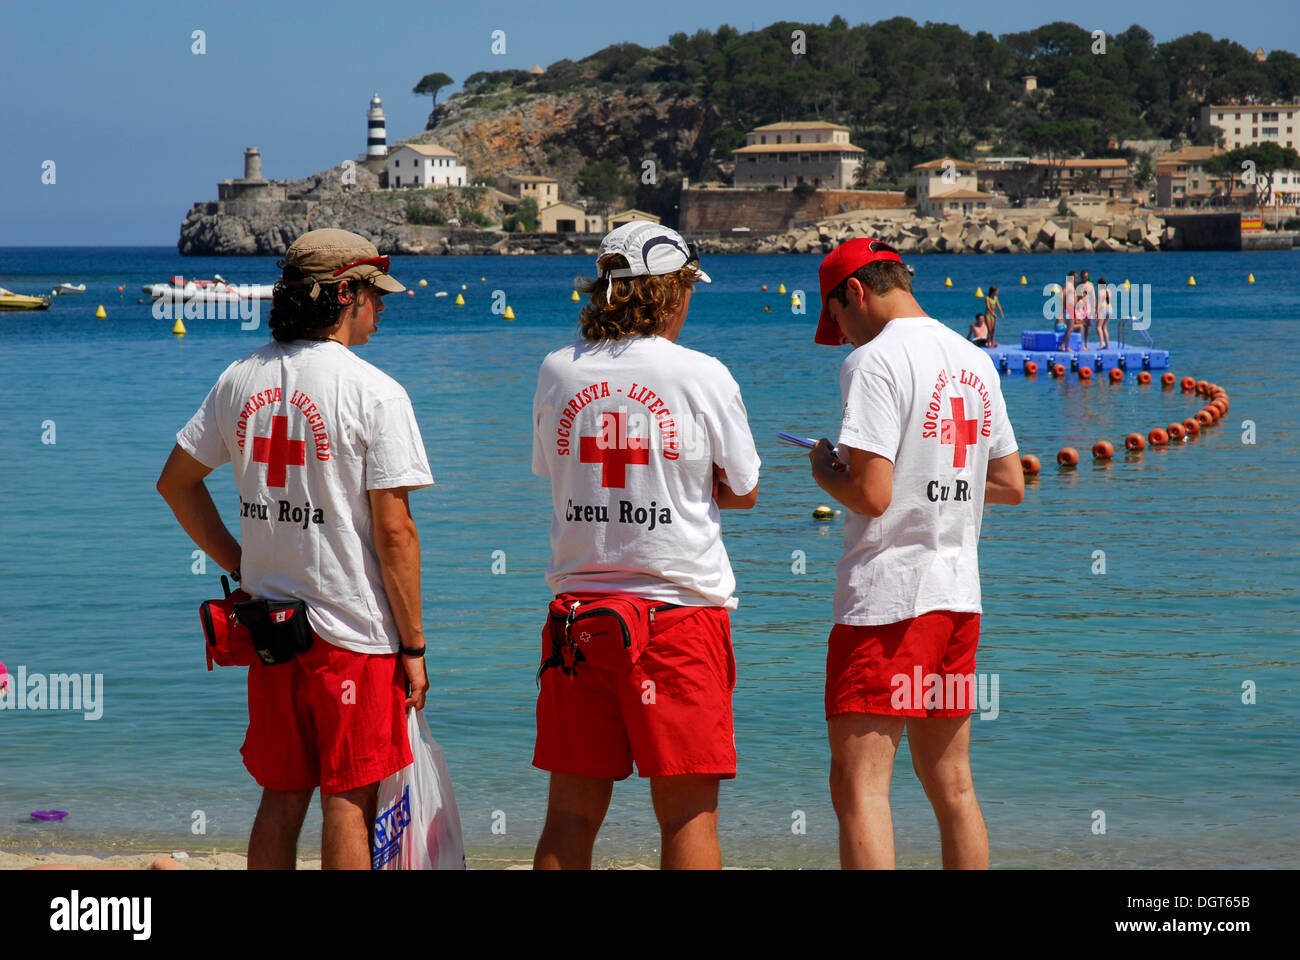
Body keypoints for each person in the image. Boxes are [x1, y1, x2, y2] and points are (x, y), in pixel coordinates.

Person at [156, 229, 433, 870]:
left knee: (282, 796)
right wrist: (415, 647)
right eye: (374, 294)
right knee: (349, 800)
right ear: (344, 294)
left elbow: (176, 484)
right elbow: (396, 534)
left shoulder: (240, 377)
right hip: (354, 634)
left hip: (271, 627)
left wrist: (240, 565)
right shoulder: (375, 392)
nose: (384, 306)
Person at [530, 222, 761, 870]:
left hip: (579, 620)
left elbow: (557, 471)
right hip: (677, 620)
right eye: (687, 287)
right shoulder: (703, 374)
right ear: (671, 291)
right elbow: (743, 488)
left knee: (570, 816)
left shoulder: (557, 370)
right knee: (687, 817)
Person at [808, 237, 1024, 870]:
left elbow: (871, 495)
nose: (844, 337)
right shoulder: (975, 360)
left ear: (855, 291)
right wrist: (927, 476)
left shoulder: (873, 362)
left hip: (887, 599)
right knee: (952, 784)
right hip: (957, 597)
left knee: (858, 787)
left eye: (839, 320)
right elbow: (1009, 485)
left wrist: (826, 470)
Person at [1075, 269, 1096, 349]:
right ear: (1081, 277)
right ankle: (1080, 343)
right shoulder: (1078, 284)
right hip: (1080, 306)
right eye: (1084, 277)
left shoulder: (1091, 284)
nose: (1085, 279)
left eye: (1086, 277)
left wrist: (1094, 309)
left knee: (1087, 326)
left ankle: (1086, 343)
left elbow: (1093, 297)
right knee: (1080, 325)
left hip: (1088, 307)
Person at [1059, 270, 1077, 349]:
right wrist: (1063, 307)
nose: (1076, 279)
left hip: (1071, 308)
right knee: (1070, 328)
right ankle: (1067, 347)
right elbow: (1062, 295)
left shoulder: (1071, 285)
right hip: (1068, 308)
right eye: (1075, 277)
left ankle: (1062, 345)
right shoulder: (1068, 285)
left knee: (1070, 328)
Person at [1095, 276, 1112, 350]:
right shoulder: (1109, 290)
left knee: (1098, 327)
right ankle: (1107, 345)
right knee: (1104, 327)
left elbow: (1100, 303)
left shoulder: (1100, 291)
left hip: (1103, 309)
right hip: (1110, 309)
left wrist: (1096, 313)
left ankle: (1102, 343)